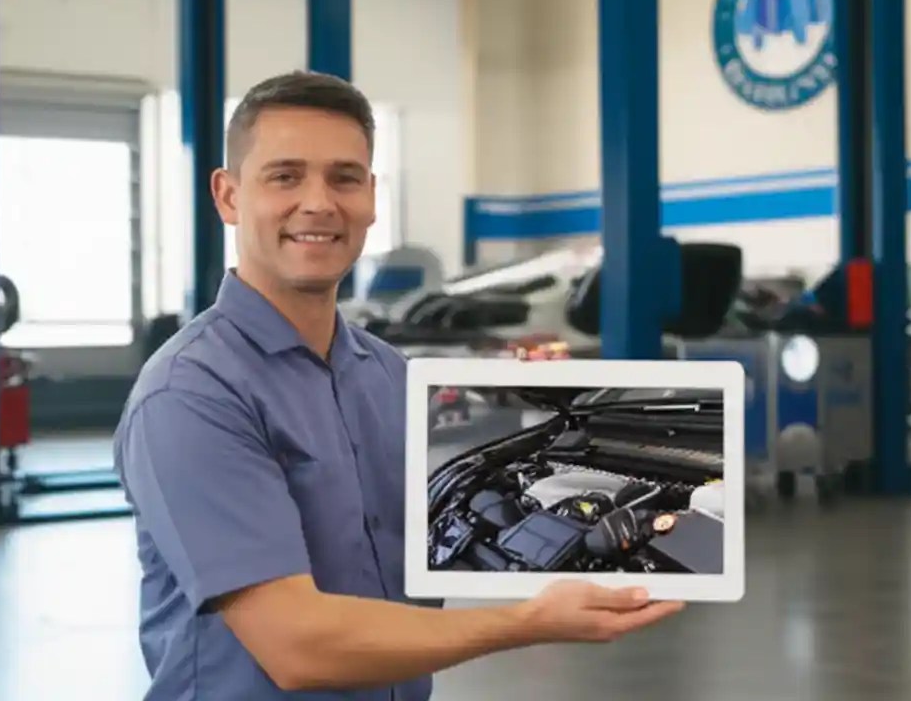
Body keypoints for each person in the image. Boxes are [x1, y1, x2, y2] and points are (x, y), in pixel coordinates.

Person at [113, 70, 685, 701]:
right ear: (227, 196)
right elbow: (295, 645)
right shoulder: (192, 394)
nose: (319, 202)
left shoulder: (393, 377)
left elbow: (440, 547)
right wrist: (528, 622)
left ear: (372, 197)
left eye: (344, 177)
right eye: (285, 176)